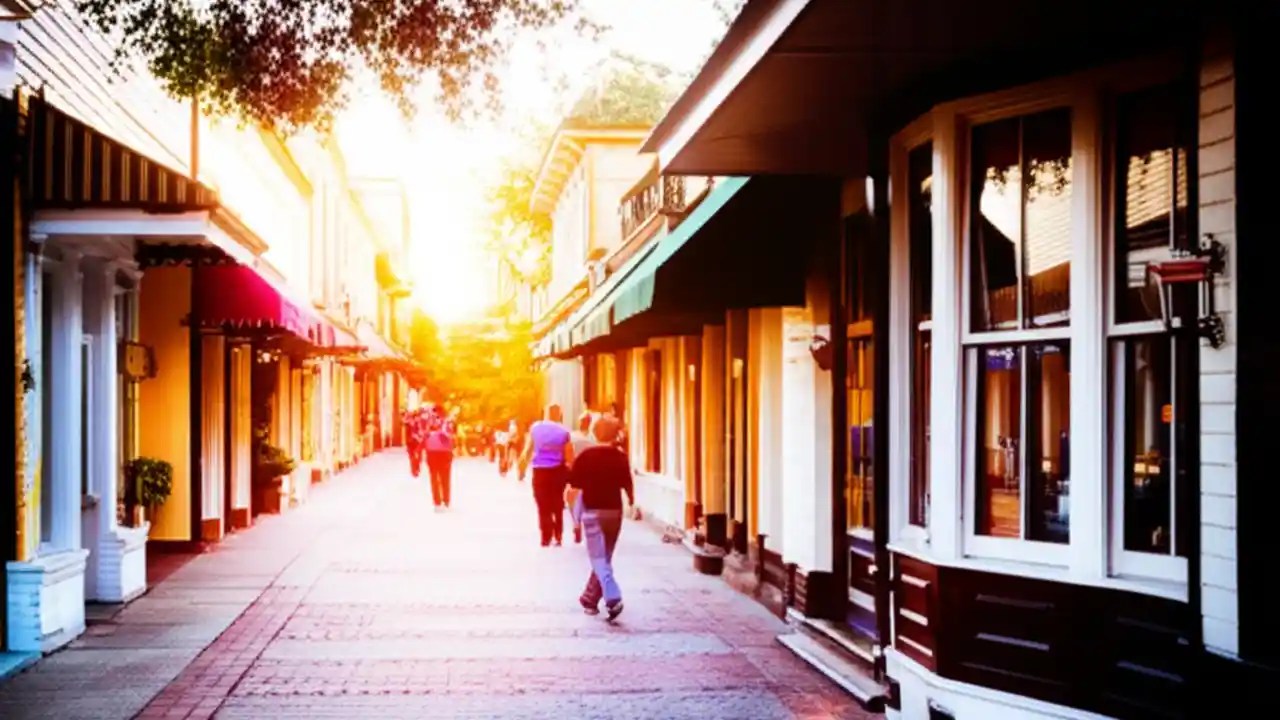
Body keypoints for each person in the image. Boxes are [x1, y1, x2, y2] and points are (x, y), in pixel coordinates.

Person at [567, 415, 633, 620]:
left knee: (598, 558)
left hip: (591, 512)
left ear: (594, 432)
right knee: (605, 557)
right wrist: (632, 502)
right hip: (614, 512)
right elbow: (627, 483)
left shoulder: (586, 456)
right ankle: (589, 598)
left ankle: (612, 597)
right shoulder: (620, 456)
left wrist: (575, 520)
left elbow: (574, 490)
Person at [519, 404, 574, 546]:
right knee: (557, 502)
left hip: (540, 471)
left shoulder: (535, 428)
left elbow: (528, 450)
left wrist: (522, 469)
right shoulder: (564, 431)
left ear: (546, 414)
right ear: (559, 415)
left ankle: (545, 535)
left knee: (542, 504)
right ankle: (558, 534)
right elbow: (569, 455)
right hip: (557, 470)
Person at [566, 411, 597, 544]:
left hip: (587, 470)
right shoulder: (573, 436)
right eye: (582, 420)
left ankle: (578, 523)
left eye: (585, 420)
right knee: (574, 497)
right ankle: (577, 523)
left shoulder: (593, 437)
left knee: (578, 497)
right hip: (578, 469)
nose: (583, 423)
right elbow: (568, 452)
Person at [425, 407, 455, 510]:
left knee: (436, 477)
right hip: (443, 452)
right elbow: (451, 436)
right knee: (444, 477)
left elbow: (425, 436)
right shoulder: (447, 422)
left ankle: (439, 502)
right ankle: (444, 501)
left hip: (434, 451)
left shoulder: (430, 423)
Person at [405, 407, 428, 477]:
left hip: (417, 443)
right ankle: (414, 470)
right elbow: (409, 434)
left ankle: (416, 468)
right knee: (412, 457)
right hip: (411, 442)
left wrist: (420, 437)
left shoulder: (419, 424)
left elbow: (421, 432)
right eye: (416, 417)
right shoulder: (408, 424)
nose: (417, 419)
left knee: (418, 457)